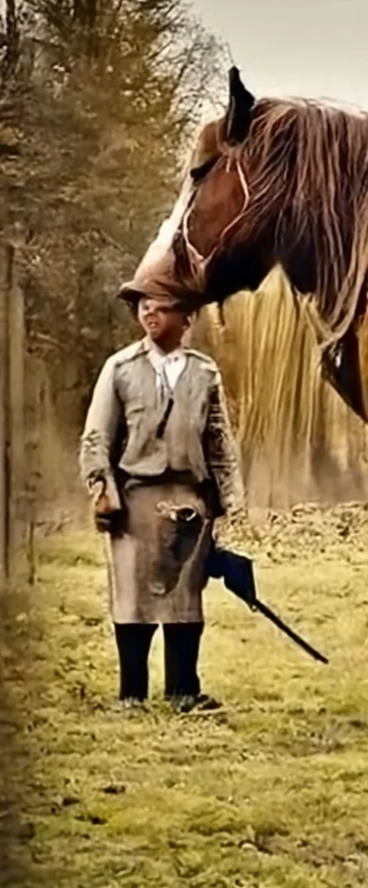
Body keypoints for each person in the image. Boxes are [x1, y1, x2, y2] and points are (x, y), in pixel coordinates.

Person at [79, 296, 246, 712]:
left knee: (185, 601)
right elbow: (97, 437)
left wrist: (228, 503)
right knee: (132, 600)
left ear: (187, 317)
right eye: (143, 307)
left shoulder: (204, 372)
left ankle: (183, 691)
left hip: (190, 499)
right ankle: (131, 693)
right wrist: (102, 490)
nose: (150, 314)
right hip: (134, 500)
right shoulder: (120, 369)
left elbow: (219, 441)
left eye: (162, 307)